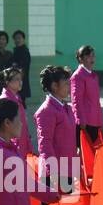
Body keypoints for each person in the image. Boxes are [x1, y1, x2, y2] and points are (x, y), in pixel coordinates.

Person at [35, 65, 77, 193]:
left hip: (67, 168)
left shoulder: (66, 107)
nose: (68, 87)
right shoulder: (46, 111)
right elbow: (45, 144)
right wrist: (53, 172)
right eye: (65, 84)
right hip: (54, 174)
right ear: (54, 86)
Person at [70, 45, 102, 150]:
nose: (92, 59)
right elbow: (76, 100)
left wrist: (99, 118)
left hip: (95, 119)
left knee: (93, 150)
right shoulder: (78, 76)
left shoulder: (94, 76)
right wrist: (80, 119)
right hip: (85, 121)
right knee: (83, 150)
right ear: (80, 58)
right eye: (88, 56)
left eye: (93, 56)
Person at [0, 67, 32, 154]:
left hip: (22, 145)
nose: (20, 82)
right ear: (7, 82)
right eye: (16, 79)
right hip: (14, 148)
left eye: (21, 79)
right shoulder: (5, 101)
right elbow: (6, 129)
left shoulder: (17, 98)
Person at [11, 31, 32, 103]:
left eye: (19, 38)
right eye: (15, 38)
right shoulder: (16, 50)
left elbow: (23, 68)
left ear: (23, 39)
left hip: (20, 82)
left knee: (20, 104)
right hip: (16, 82)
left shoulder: (24, 52)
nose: (17, 40)